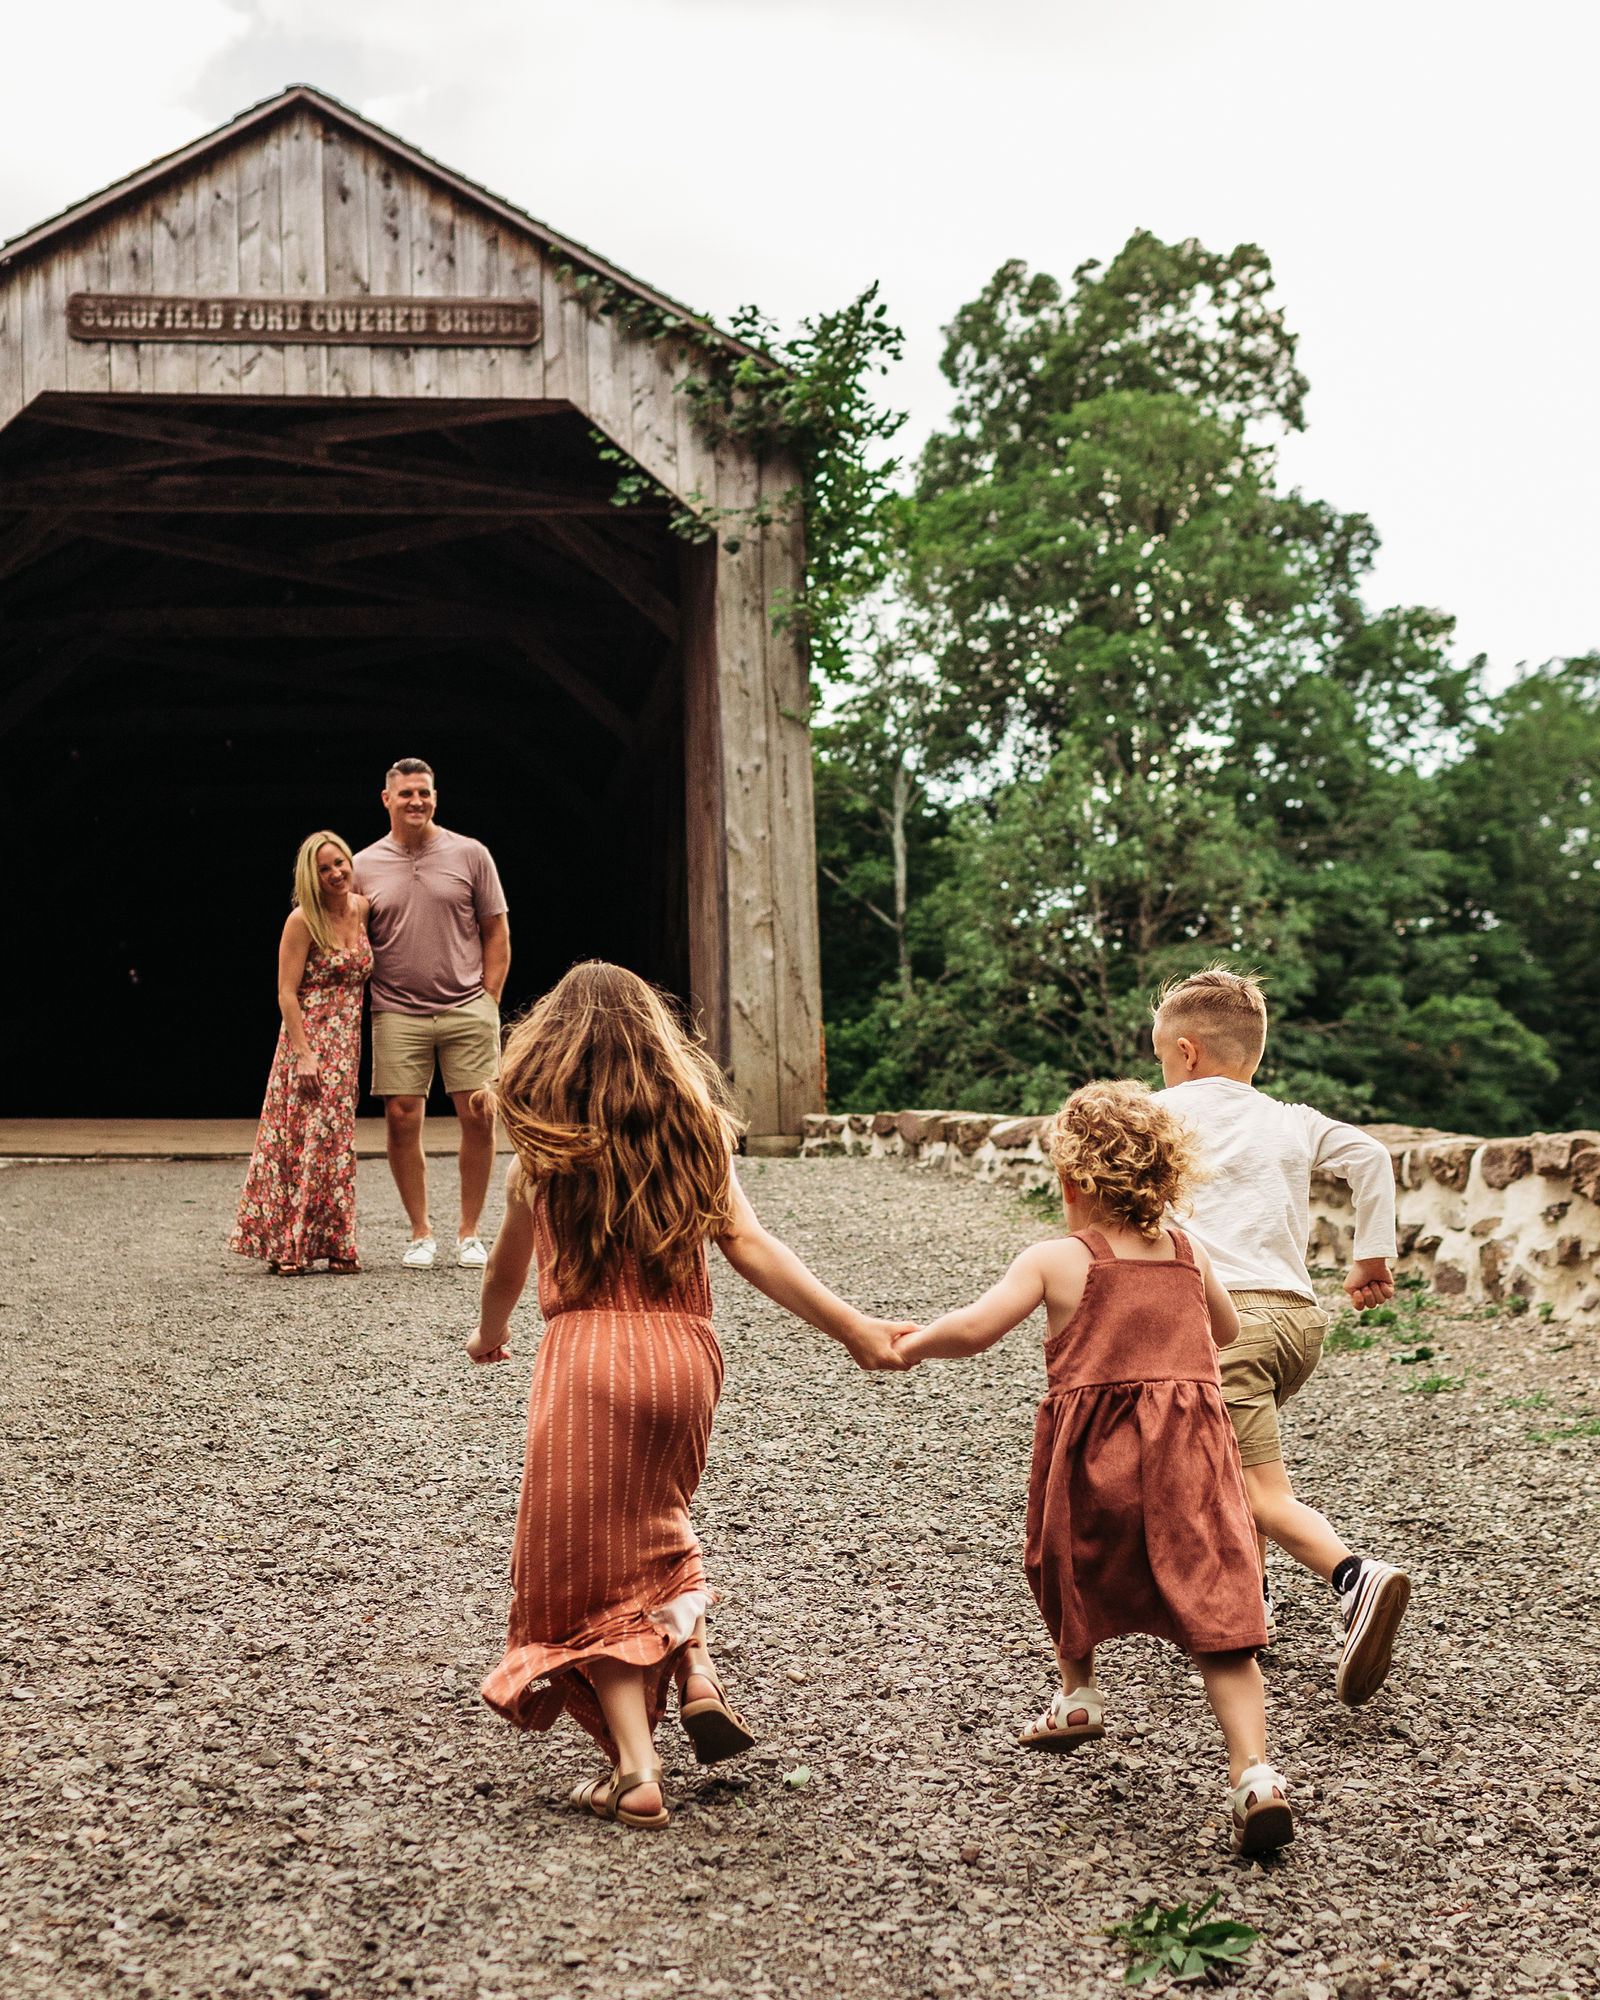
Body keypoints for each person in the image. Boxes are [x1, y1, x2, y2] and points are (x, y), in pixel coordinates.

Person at [466, 961, 911, 1830]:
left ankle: (636, 1769)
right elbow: (751, 1245)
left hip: (588, 1356)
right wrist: (854, 1328)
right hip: (683, 1355)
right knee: (656, 1526)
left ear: (551, 1048)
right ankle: (696, 1667)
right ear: (658, 1043)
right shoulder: (695, 1128)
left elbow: (503, 1270)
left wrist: (487, 1335)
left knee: (587, 1569)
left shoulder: (545, 1145)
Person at [894, 1079, 1294, 1857]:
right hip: (1190, 1460)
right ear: (1165, 1177)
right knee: (1218, 1610)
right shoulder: (1190, 1253)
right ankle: (1253, 1774)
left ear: (1072, 1182)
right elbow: (1226, 1329)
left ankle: (1078, 1692)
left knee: (1066, 1561)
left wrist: (911, 1344)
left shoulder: (1057, 1260)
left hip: (1094, 1460)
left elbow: (975, 1330)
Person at [1151, 967, 1411, 1705]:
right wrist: (1370, 1257)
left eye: (1162, 1054)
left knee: (1260, 1489)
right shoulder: (1290, 1117)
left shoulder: (1155, 1115)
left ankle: (1355, 1578)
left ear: (1187, 1051)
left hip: (1223, 1325)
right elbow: (1371, 1158)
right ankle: (1250, 1600)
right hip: (1296, 1324)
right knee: (1234, 1458)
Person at [352, 758, 510, 1270]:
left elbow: (496, 930)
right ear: (386, 799)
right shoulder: (362, 865)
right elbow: (343, 935)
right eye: (405, 794)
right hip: (397, 1009)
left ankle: (470, 1233)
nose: (415, 801)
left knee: (479, 1115)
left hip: (467, 1005)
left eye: (424, 792)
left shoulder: (471, 854)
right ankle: (421, 1232)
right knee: (401, 1119)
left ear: (435, 797)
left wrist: (489, 999)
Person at [231, 832, 372, 1276]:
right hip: (308, 1042)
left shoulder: (363, 909)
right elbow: (286, 993)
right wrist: (304, 1055)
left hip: (346, 1045)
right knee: (298, 1140)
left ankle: (336, 1242)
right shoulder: (302, 920)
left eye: (340, 863)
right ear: (311, 877)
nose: (336, 873)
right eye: (324, 868)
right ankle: (287, 1245)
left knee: (335, 1144)